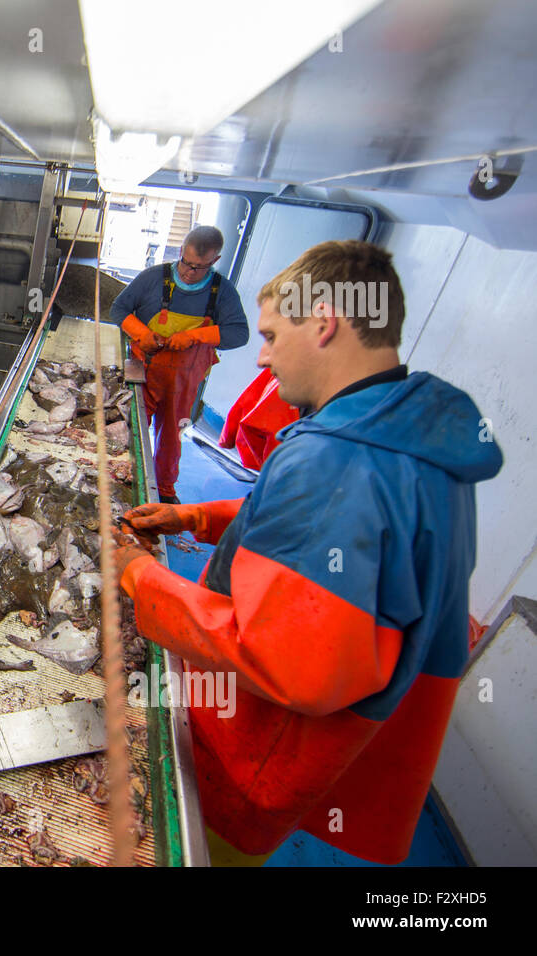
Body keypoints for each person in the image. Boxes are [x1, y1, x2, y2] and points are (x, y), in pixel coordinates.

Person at [114, 240, 502, 865]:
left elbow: (288, 662)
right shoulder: (403, 435)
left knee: (182, 848)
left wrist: (141, 579)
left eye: (271, 335)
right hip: (343, 753)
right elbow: (314, 529)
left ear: (324, 323)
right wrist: (196, 515)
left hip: (253, 761)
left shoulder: (343, 457)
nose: (261, 357)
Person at [109, 226, 249, 503]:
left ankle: (164, 489)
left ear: (214, 261)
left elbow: (239, 334)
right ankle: (118, 480)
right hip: (144, 371)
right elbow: (119, 309)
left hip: (185, 382)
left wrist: (196, 335)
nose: (188, 272)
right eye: (185, 262)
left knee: (173, 437)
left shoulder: (222, 291)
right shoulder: (154, 278)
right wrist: (143, 335)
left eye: (198, 267)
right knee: (129, 428)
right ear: (181, 251)